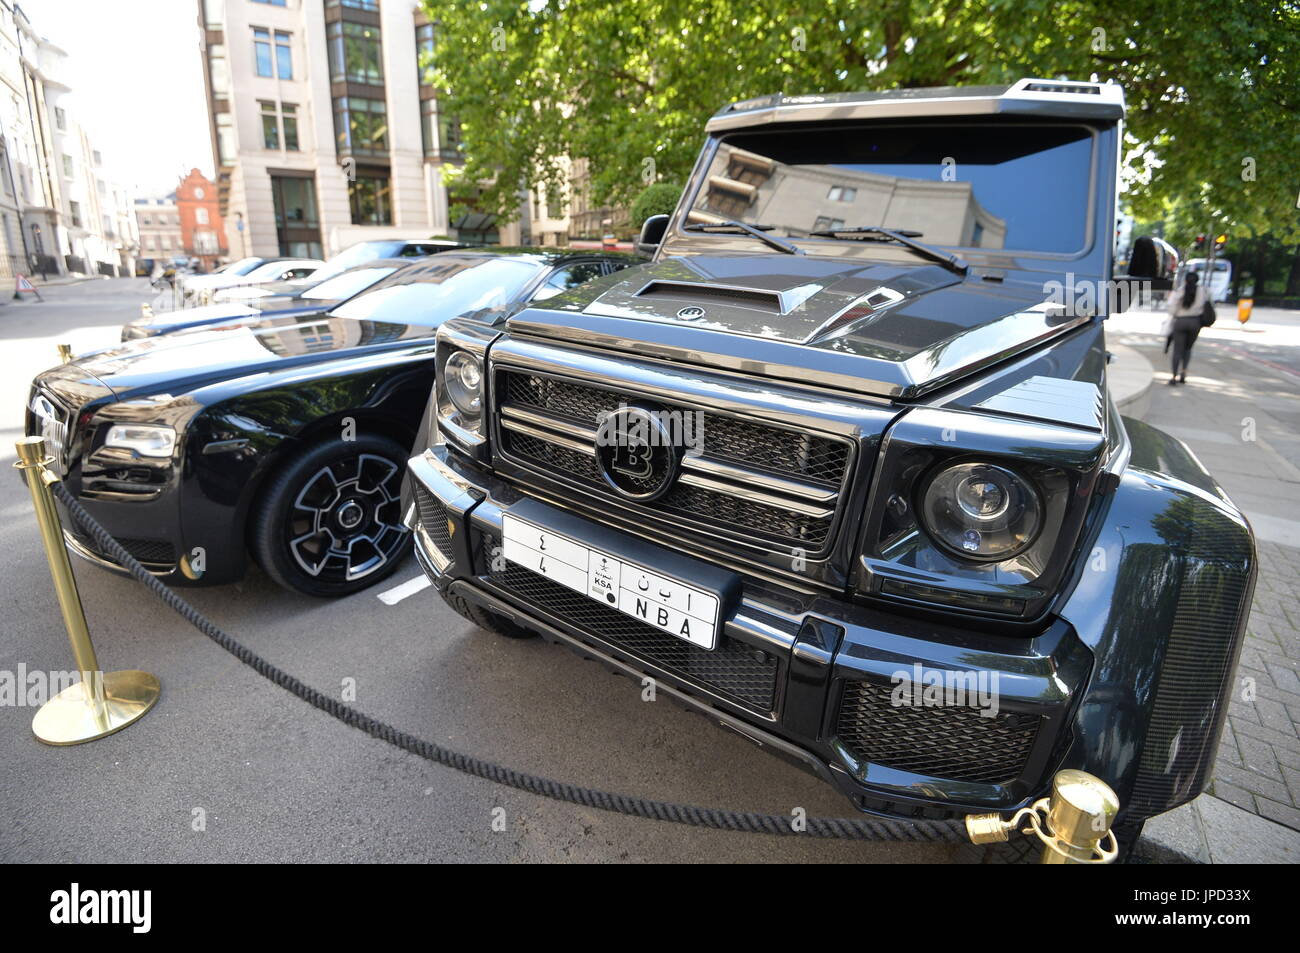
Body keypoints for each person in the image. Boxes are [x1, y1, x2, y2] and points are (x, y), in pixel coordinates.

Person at [1165, 270, 1206, 385]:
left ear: (1185, 280)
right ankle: (1183, 372)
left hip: (1181, 321)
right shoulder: (1202, 290)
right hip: (1195, 322)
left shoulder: (1181, 290)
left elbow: (1172, 307)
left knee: (1177, 350)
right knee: (1188, 349)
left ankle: (1174, 376)